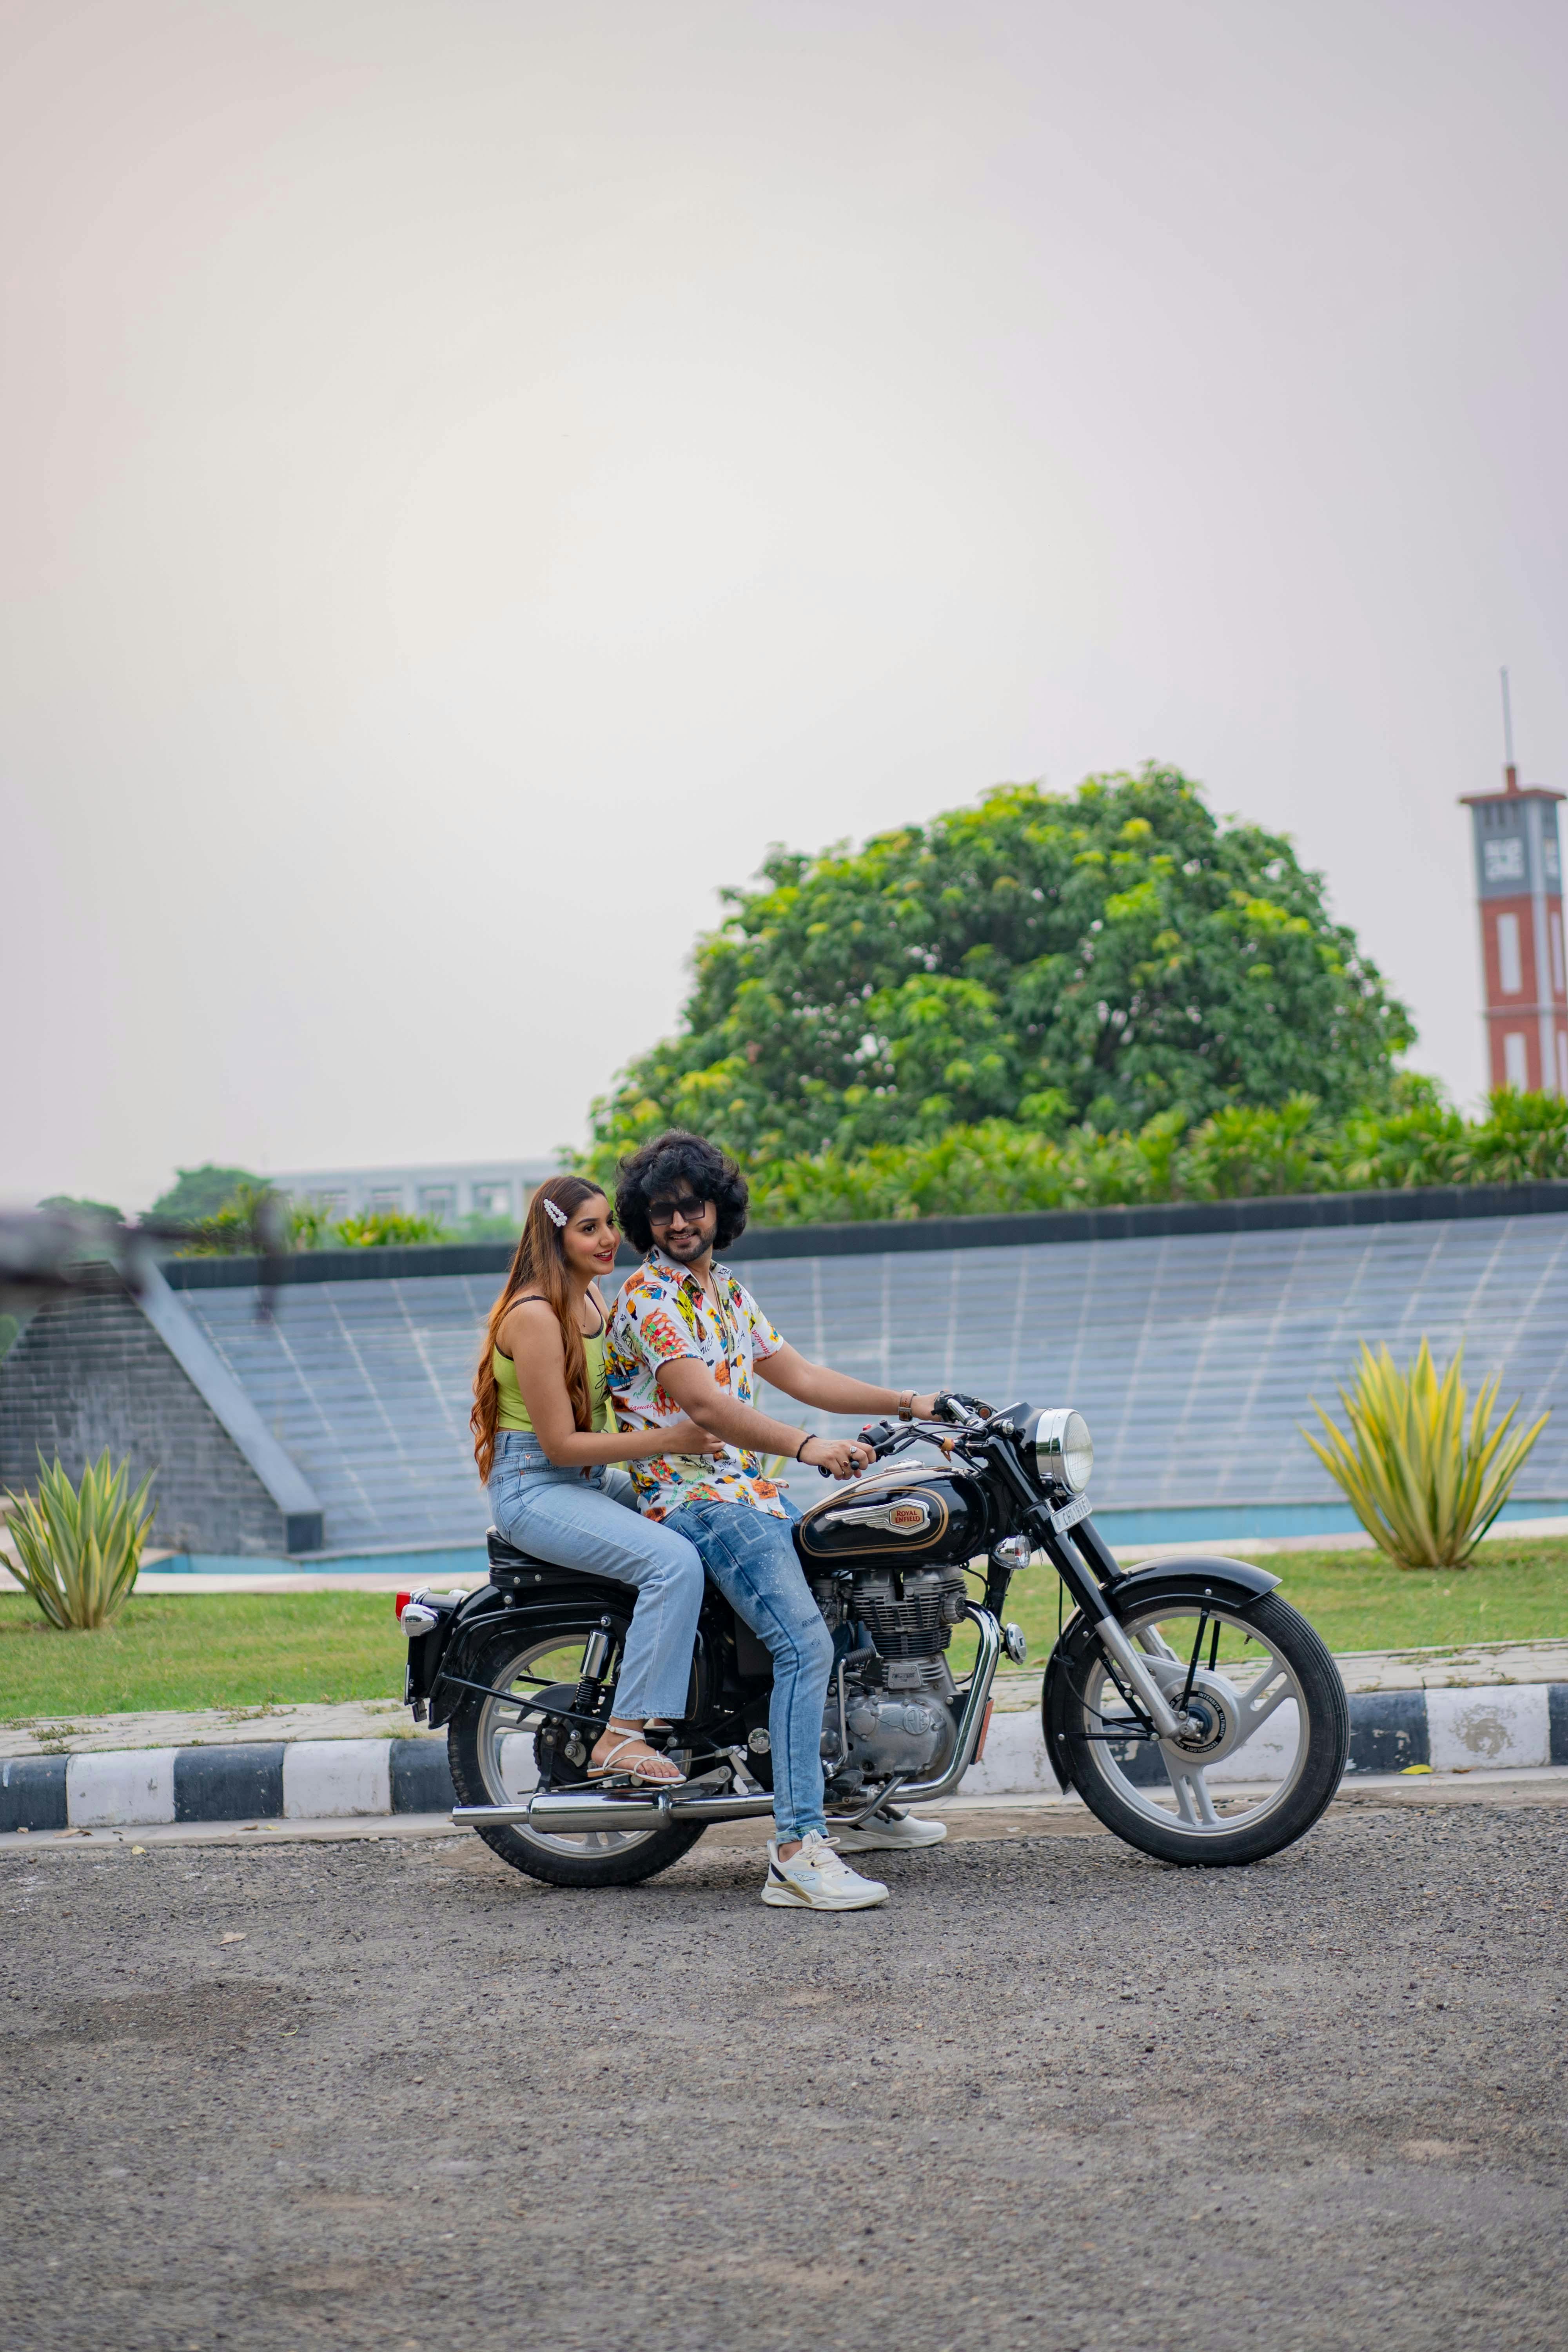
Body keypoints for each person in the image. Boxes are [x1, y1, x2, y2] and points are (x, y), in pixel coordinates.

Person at [604, 1129, 947, 1913]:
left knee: (856, 1602)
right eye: (661, 1212)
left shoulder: (724, 1290)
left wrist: (911, 1402)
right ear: (644, 1222)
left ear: (718, 1210)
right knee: (804, 1644)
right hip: (694, 1496)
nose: (678, 1222)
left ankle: (855, 1799)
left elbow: (799, 1375)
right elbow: (702, 1405)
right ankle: (795, 1847)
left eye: (691, 1206)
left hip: (747, 1490)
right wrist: (805, 1446)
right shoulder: (649, 1299)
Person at [471, 1174, 725, 1788]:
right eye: (589, 1228)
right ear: (555, 1237)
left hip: (583, 1481)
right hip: (536, 1488)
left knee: (706, 1520)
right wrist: (673, 1439)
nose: (609, 1238)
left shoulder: (593, 1302)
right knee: (671, 1564)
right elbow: (560, 1444)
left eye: (610, 1223)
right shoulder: (535, 1316)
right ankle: (624, 1734)